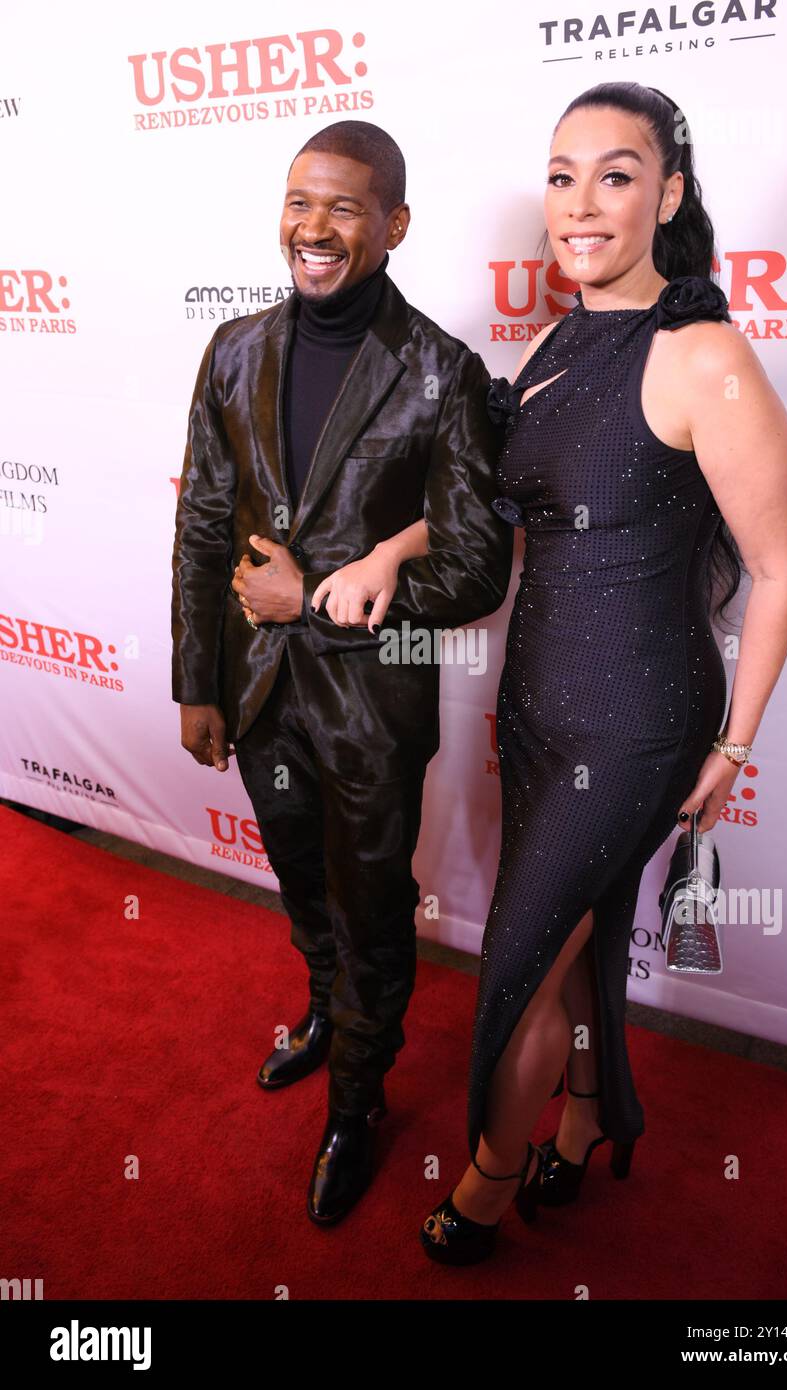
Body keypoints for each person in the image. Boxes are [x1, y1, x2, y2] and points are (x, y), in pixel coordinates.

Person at [417, 82, 787, 1265]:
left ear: (668, 195)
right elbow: (490, 511)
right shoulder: (548, 336)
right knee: (580, 937)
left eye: (615, 175)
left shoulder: (702, 355)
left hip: (636, 722)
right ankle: (590, 1115)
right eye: (559, 175)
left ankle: (488, 1172)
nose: (578, 206)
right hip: (533, 704)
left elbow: (778, 567)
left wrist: (730, 748)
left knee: (521, 962)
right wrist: (388, 551)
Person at [170, 120, 513, 1226]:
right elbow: (203, 529)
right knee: (304, 885)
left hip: (370, 710)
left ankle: (357, 1105)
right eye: (299, 202)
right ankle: (323, 1014)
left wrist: (313, 593)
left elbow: (471, 565)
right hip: (261, 698)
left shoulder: (440, 372)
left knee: (373, 913)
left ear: (393, 226)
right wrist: (197, 682)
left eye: (344, 208)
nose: (313, 229)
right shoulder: (231, 347)